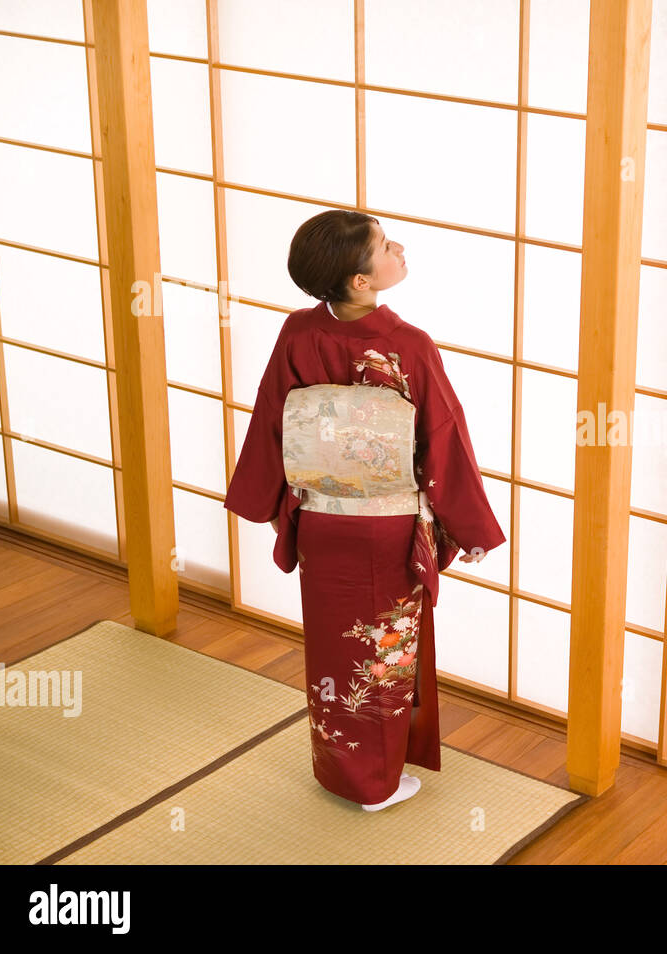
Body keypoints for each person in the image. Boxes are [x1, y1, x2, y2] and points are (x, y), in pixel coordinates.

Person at [223, 209, 506, 812]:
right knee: (380, 652)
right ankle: (373, 785)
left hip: (320, 524)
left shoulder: (298, 332)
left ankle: (343, 768)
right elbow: (443, 438)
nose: (397, 248)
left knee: (333, 648)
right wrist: (471, 526)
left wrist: (266, 500)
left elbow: (272, 418)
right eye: (383, 245)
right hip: (386, 527)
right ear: (360, 281)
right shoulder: (407, 346)